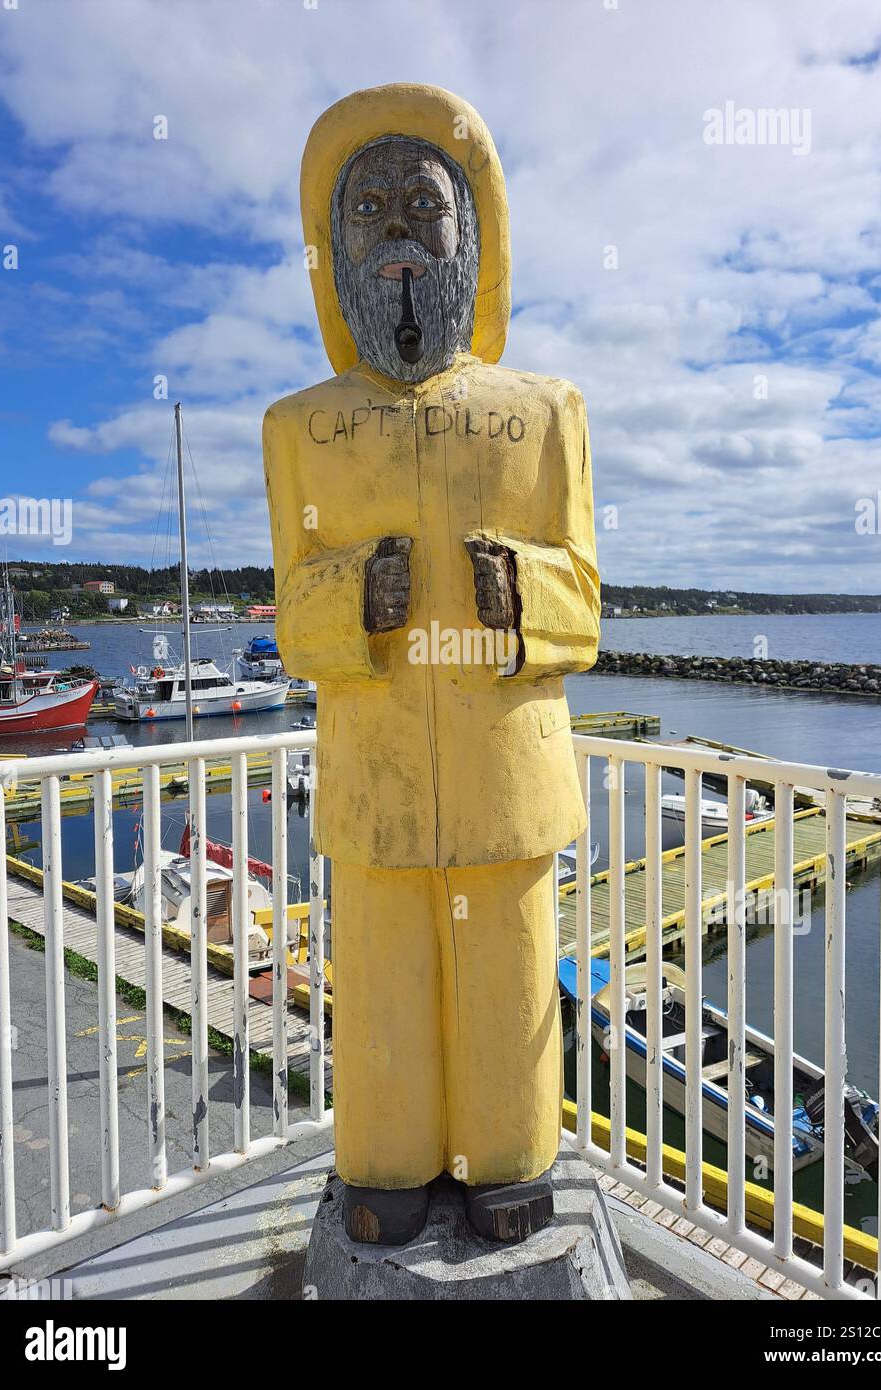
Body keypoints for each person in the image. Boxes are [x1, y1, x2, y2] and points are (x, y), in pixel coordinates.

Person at [263, 83, 601, 1245]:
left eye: (425, 205)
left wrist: (522, 591)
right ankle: (387, 1171)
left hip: (507, 775)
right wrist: (354, 596)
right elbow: (290, 614)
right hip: (374, 778)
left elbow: (586, 599)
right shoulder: (300, 428)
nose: (398, 235)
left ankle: (511, 1164)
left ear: (476, 233)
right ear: (333, 252)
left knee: (508, 984)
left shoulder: (545, 414)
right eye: (368, 212)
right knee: (386, 993)